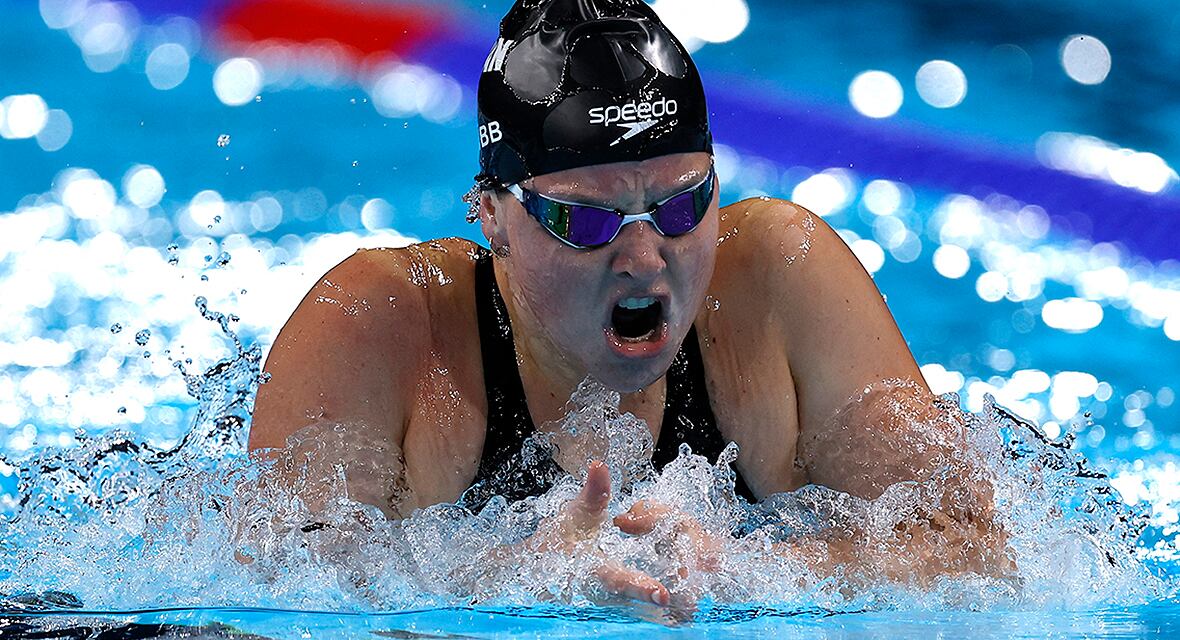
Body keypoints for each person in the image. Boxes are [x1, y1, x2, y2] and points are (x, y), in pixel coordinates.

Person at [249, 0, 1007, 606]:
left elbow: (982, 548)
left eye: (680, 208)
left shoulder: (781, 281)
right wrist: (510, 583)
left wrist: (757, 569)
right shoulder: (384, 323)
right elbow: (262, 592)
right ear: (490, 212)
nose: (646, 262)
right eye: (586, 220)